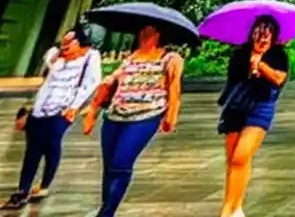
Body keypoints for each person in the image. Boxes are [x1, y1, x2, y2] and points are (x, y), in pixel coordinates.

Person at [83, 24, 184, 217]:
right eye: (142, 29)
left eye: (149, 29)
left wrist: (172, 115)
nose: (143, 33)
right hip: (115, 114)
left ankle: (107, 213)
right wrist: (92, 111)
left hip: (145, 115)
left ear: (159, 33)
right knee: (110, 165)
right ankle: (106, 207)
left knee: (122, 163)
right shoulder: (131, 57)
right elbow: (110, 83)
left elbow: (174, 88)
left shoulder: (170, 58)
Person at [4, 25, 102, 210]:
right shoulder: (56, 54)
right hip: (41, 106)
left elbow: (91, 83)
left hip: (63, 110)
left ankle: (43, 185)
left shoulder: (91, 57)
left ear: (82, 45)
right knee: (33, 149)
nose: (64, 48)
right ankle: (22, 190)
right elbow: (50, 65)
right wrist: (60, 57)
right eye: (63, 44)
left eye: (69, 45)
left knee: (51, 143)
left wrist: (74, 107)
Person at [217, 16, 289, 217]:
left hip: (261, 107)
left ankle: (227, 210)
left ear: (274, 37)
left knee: (241, 156)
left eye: (267, 35)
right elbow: (234, 80)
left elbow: (279, 79)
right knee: (234, 160)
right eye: (258, 34)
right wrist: (250, 65)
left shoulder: (278, 55)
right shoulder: (240, 54)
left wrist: (261, 65)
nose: (262, 39)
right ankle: (235, 205)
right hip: (236, 107)